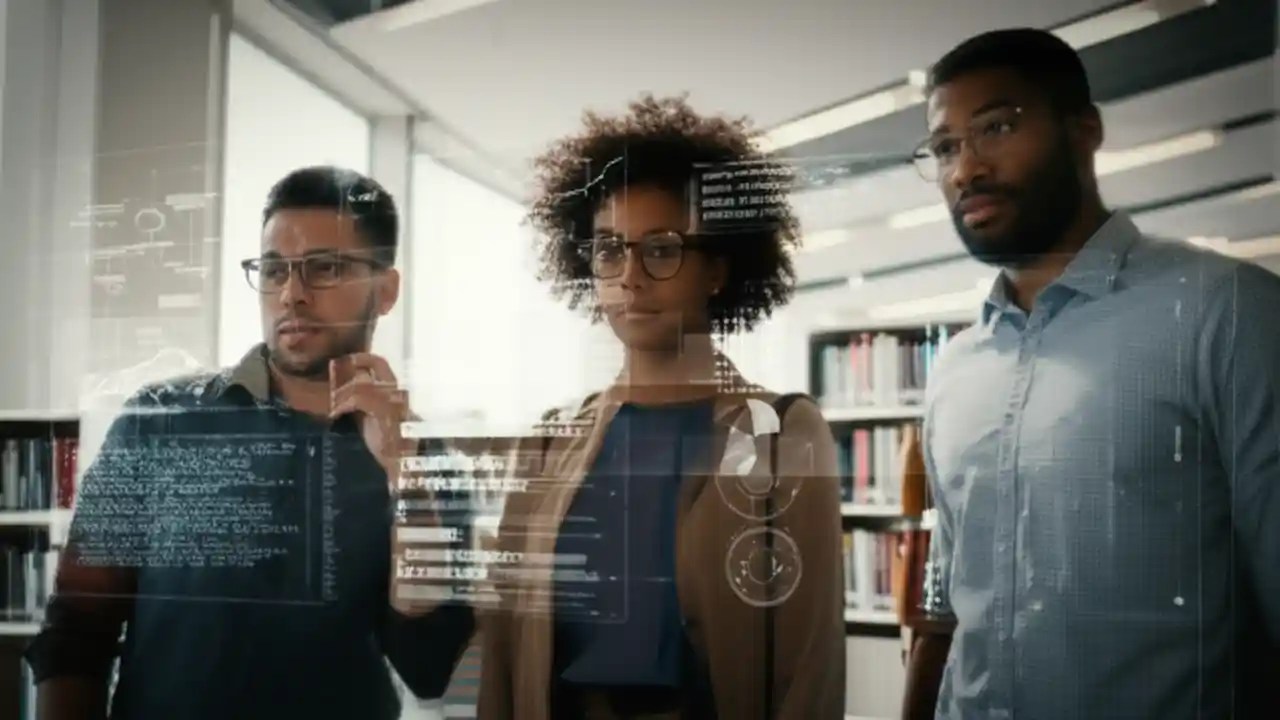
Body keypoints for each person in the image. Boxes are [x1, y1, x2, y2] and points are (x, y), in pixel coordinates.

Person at [901, 28, 1280, 720]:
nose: (966, 168)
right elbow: (951, 608)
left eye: (997, 127)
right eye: (946, 146)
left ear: (1084, 129)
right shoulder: (955, 370)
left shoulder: (1224, 313)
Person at [25, 166, 473, 719]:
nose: (292, 294)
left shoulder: (427, 460)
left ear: (385, 291)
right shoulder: (159, 421)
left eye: (324, 269)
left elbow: (428, 665)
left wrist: (405, 476)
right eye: (274, 269)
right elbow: (77, 627)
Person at [474, 95, 845, 719]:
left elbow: (811, 667)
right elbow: (505, 650)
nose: (631, 276)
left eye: (663, 249)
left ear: (717, 270)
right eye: (610, 250)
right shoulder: (550, 441)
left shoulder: (779, 431)